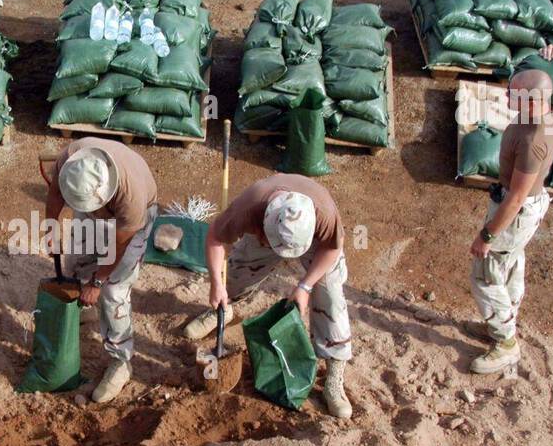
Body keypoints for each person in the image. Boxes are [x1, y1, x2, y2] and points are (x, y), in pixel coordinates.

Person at [185, 174, 353, 418]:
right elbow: (216, 237)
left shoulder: (324, 214)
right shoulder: (251, 206)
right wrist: (216, 285)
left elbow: (331, 248)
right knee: (235, 274)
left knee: (330, 293)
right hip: (265, 235)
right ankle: (223, 308)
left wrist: (305, 286)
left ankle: (335, 374)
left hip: (314, 242)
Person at [465, 51, 553, 373]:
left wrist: (487, 234)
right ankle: (499, 325)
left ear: (532, 102)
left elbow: (518, 196)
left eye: (513, 94)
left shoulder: (534, 138)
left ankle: (505, 343)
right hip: (525, 207)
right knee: (510, 266)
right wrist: (552, 53)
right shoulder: (548, 109)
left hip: (516, 210)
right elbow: (543, 77)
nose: (506, 96)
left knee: (485, 273)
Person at [44, 139, 158, 403]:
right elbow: (54, 194)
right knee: (77, 260)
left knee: (114, 291)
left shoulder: (131, 198)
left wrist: (97, 282)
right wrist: (51, 228)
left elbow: (119, 245)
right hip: (97, 203)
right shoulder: (71, 161)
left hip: (132, 223)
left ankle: (121, 362)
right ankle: (86, 308)